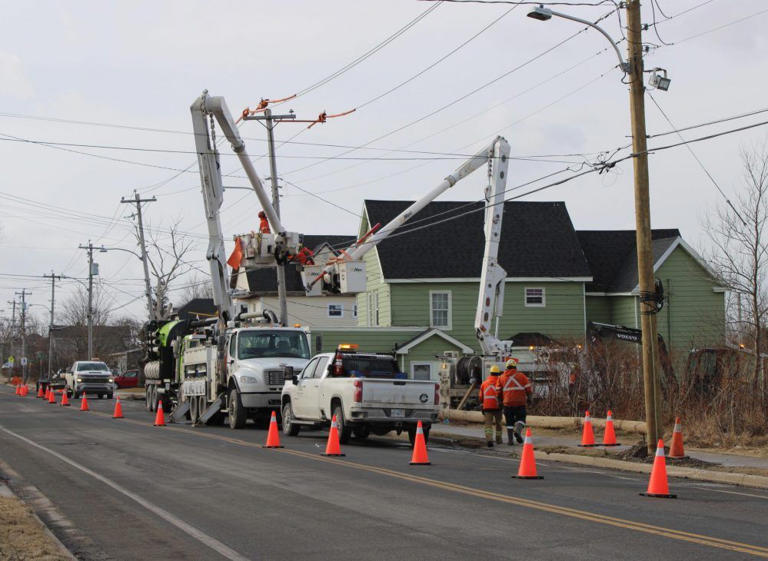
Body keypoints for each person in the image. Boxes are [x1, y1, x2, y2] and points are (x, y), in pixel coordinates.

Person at [497, 358, 532, 445]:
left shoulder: (501, 378)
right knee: (521, 418)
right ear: (515, 367)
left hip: (507, 403)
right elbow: (528, 389)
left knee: (509, 422)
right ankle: (518, 430)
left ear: (506, 367)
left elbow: (498, 391)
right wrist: (530, 399)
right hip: (520, 402)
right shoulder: (522, 376)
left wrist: (500, 401)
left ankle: (510, 441)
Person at [479, 365, 503, 447]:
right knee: (499, 424)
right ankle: (499, 440)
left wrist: (482, 405)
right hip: (498, 407)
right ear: (498, 374)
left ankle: (489, 439)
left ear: (490, 373)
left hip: (487, 407)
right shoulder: (500, 383)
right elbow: (502, 394)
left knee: (488, 425)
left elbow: (481, 397)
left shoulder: (484, 383)